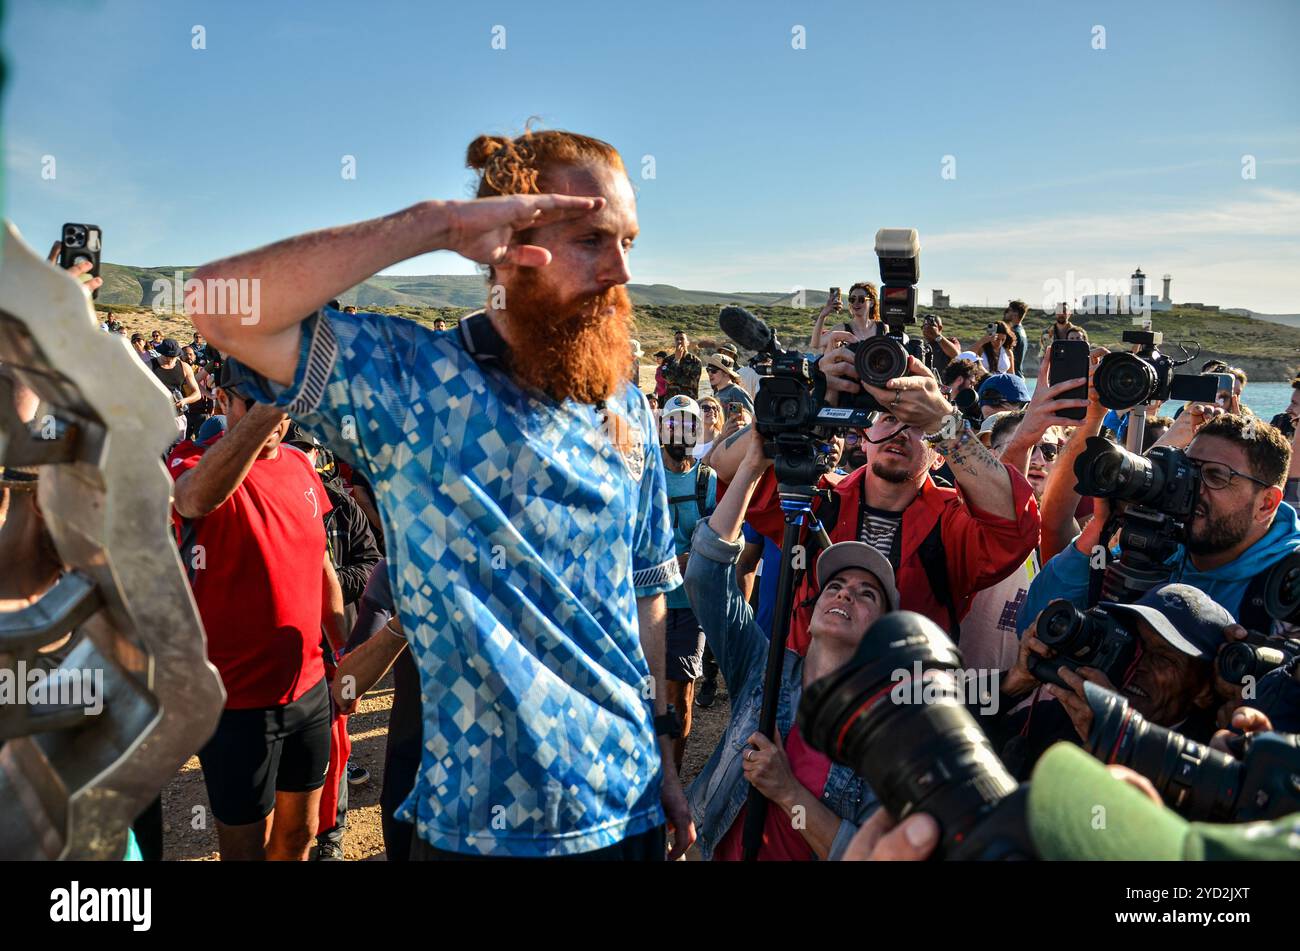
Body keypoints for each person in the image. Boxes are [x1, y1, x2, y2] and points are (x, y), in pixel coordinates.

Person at [188, 127, 693, 860]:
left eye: (629, 243)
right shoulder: (413, 384)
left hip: (632, 814)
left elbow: (645, 593)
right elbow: (219, 305)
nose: (620, 269)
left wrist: (665, 753)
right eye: (591, 239)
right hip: (477, 831)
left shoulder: (626, 404)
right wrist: (433, 225)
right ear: (509, 244)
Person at [708, 345, 1040, 649]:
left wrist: (945, 421)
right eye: (888, 417)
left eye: (917, 425)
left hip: (905, 704)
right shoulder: (819, 499)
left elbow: (1015, 526)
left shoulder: (952, 523)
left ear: (940, 454)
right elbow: (724, 466)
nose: (900, 432)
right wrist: (814, 396)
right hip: (810, 702)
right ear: (863, 437)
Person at [168, 361, 346, 860]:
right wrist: (259, 419)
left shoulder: (300, 464)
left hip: (309, 688)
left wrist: (345, 653)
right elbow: (192, 501)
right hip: (234, 702)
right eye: (258, 405)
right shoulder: (191, 459)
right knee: (247, 847)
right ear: (222, 401)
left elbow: (323, 569)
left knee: (301, 834)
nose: (276, 422)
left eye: (283, 410)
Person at [685, 428, 885, 860]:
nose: (846, 594)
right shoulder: (764, 668)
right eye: (834, 585)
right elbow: (706, 575)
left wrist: (786, 789)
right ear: (810, 613)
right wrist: (753, 464)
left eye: (867, 593)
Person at [1020, 412, 1300, 636]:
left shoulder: (1288, 585)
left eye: (1215, 476)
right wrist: (1100, 526)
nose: (1191, 487)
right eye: (1188, 471)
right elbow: (1032, 626)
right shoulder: (1160, 549)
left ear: (1266, 503)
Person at [992, 583, 1233, 779]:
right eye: (1133, 646)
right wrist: (1011, 685)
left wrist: (1114, 743)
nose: (1136, 663)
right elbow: (956, 729)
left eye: (1162, 658)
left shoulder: (1210, 764)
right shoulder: (1064, 714)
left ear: (1205, 690)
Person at [657, 395, 717, 773]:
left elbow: (716, 537)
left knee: (681, 697)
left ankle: (672, 782)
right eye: (674, 422)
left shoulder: (706, 480)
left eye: (689, 424)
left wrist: (685, 559)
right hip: (645, 601)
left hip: (688, 604)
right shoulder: (646, 476)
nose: (681, 431)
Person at [149, 338, 202, 441]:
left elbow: (197, 393)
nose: (170, 359)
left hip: (177, 417)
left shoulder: (184, 367)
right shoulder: (148, 366)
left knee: (177, 452)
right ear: (161, 352)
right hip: (155, 417)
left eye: (173, 357)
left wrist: (184, 401)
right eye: (167, 356)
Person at [663, 330, 703, 400]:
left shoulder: (695, 361)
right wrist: (676, 360)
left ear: (687, 343)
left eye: (682, 339)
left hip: (688, 400)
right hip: (671, 400)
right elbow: (668, 379)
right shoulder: (667, 360)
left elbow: (692, 383)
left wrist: (674, 380)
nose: (679, 341)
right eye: (677, 339)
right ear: (674, 342)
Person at [919, 313, 960, 378]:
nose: (926, 330)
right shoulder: (922, 346)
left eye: (931, 326)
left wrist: (937, 336)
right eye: (924, 327)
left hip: (945, 384)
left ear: (940, 328)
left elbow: (956, 355)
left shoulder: (950, 341)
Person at [692, 395, 724, 460]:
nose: (712, 411)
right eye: (706, 408)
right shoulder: (687, 443)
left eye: (715, 408)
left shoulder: (723, 439)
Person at [1004, 300, 1029, 377]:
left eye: (1008, 310)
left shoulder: (1014, 333)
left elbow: (1007, 355)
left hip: (1013, 375)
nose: (1006, 313)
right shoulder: (1021, 331)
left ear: (1015, 313)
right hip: (1018, 374)